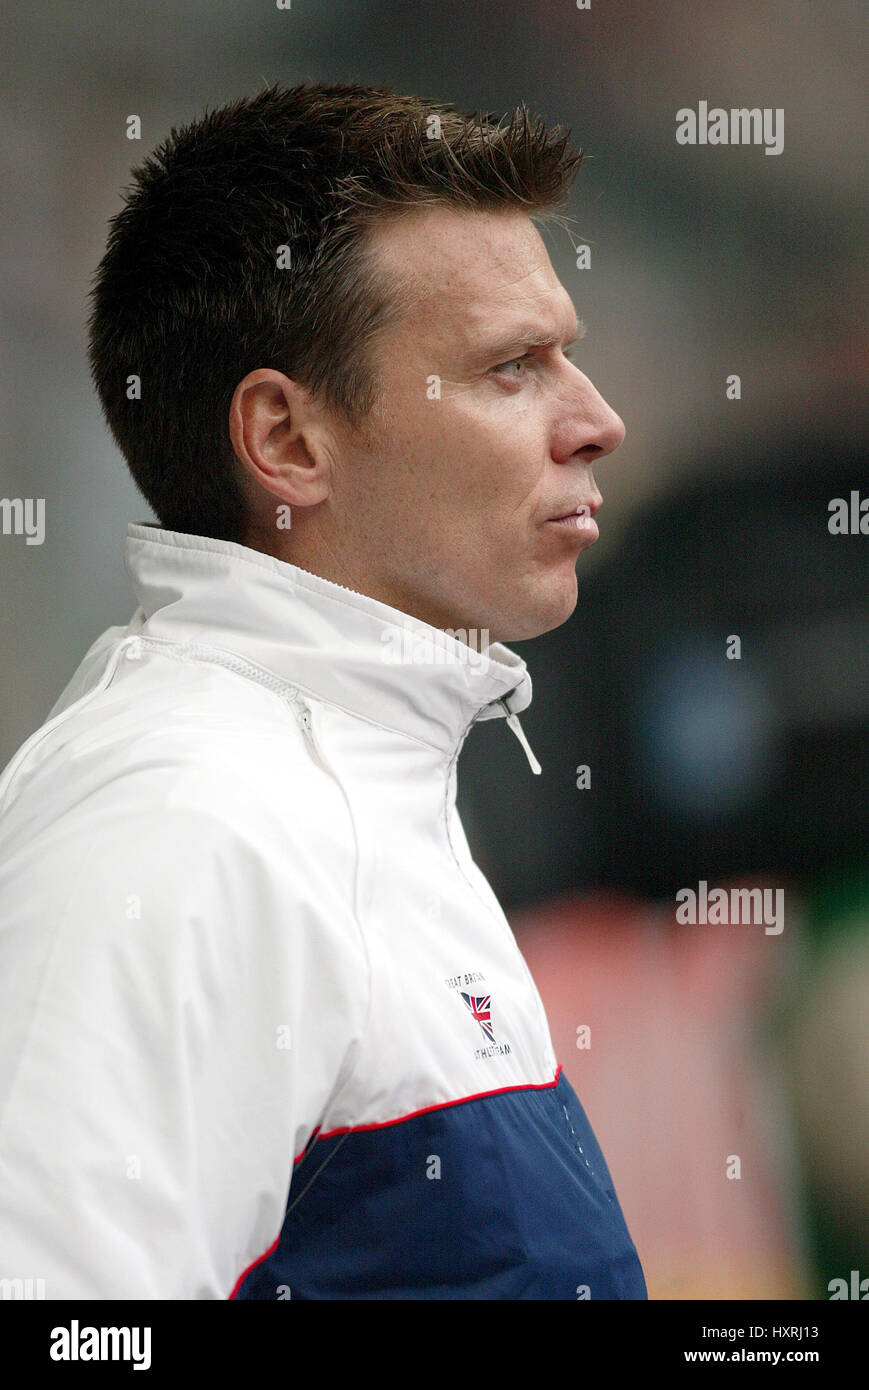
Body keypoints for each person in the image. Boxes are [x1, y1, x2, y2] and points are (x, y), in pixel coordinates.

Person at [0, 81, 646, 1299]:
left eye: (568, 352)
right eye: (512, 368)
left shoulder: (363, 765)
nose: (596, 420)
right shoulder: (174, 823)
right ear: (289, 443)